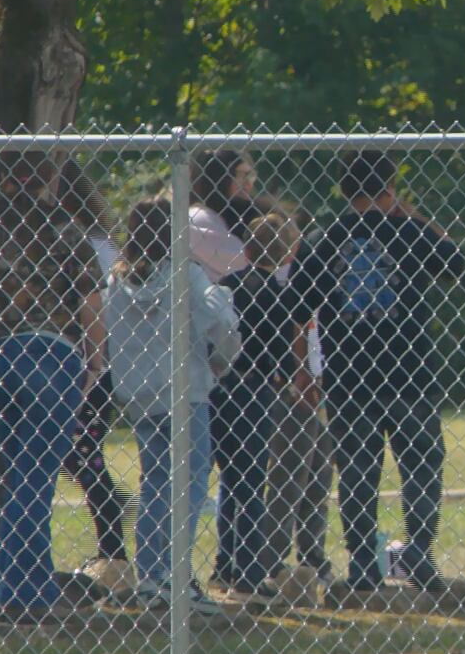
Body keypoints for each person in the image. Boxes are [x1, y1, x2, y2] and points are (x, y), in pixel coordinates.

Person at [290, 151, 465, 607]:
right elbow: (456, 265)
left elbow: (297, 308)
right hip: (409, 374)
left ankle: (362, 564)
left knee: (356, 470)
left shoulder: (323, 239)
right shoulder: (409, 231)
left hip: (349, 377)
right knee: (421, 464)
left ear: (342, 189)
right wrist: (409, 214)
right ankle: (419, 554)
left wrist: (302, 367)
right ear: (390, 188)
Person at [0, 151, 104, 622]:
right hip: (52, 354)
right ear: (45, 182)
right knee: (35, 477)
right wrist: (94, 359)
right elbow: (90, 300)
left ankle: (9, 584)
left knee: (15, 473)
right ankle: (26, 594)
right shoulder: (66, 229)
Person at [106, 197, 241, 617]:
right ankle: (174, 574)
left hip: (141, 394)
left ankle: (151, 575)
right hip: (185, 391)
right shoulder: (186, 273)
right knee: (191, 481)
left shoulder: (118, 279)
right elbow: (222, 319)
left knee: (155, 482)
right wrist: (221, 361)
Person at [211, 213, 310, 605]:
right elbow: (283, 354)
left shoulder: (226, 285)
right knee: (251, 481)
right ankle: (249, 573)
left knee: (227, 478)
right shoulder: (280, 295)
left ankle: (224, 564)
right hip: (254, 388)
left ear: (248, 249)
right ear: (287, 254)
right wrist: (288, 379)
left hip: (218, 384)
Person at [245, 212, 335, 602]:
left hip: (312, 384)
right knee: (292, 476)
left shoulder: (301, 281)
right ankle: (272, 560)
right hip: (295, 388)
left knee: (315, 475)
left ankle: (311, 556)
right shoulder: (282, 286)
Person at [54, 160, 134, 590]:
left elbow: (98, 308)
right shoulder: (88, 242)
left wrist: (95, 361)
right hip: (78, 360)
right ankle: (111, 535)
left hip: (90, 363)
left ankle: (113, 548)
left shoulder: (92, 245)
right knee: (75, 454)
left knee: (81, 452)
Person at [189, 149, 262, 282]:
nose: (248, 183)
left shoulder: (237, 214)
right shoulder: (198, 218)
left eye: (250, 175)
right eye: (241, 175)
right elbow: (246, 262)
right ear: (218, 177)